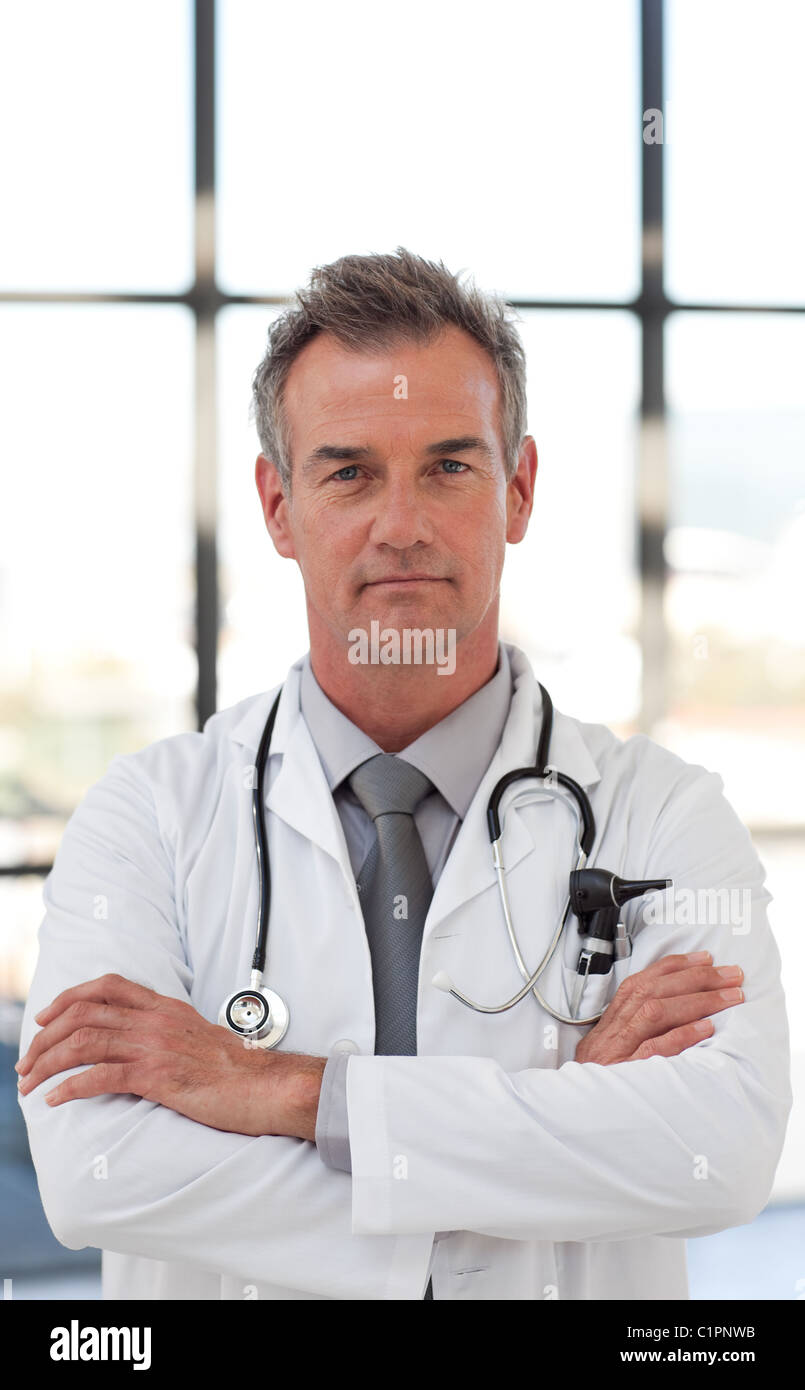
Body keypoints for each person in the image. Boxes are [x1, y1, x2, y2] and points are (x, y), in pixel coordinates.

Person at [16, 248, 792, 1301]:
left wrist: (278, 1089)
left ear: (516, 490)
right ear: (278, 505)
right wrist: (544, 1136)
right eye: (347, 471)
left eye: (448, 466)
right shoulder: (146, 816)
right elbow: (99, 1175)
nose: (401, 526)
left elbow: (721, 1143)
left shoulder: (663, 814)